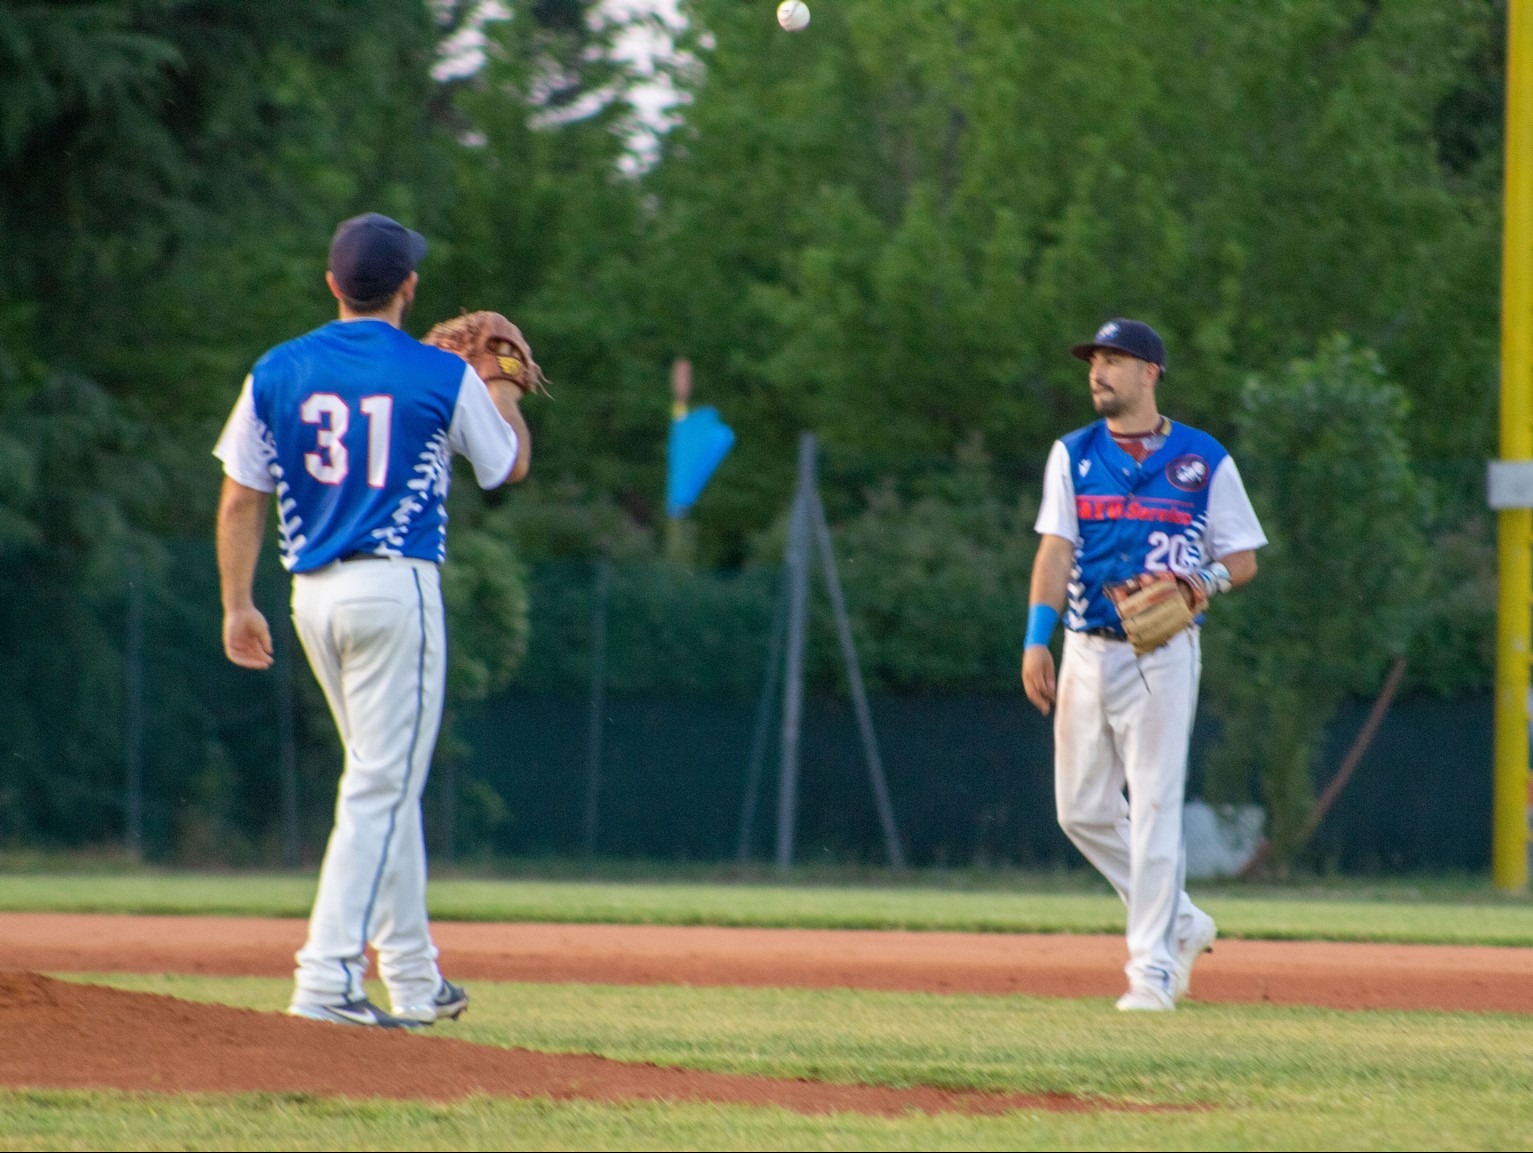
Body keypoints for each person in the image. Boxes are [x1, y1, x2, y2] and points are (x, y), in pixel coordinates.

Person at [213, 213, 531, 1027]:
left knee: (382, 779)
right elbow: (505, 464)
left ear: (332, 284)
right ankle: (324, 979)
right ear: (409, 286)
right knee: (380, 786)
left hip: (309, 594)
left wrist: (237, 601)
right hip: (396, 592)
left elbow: (242, 495)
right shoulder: (435, 372)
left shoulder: (277, 369)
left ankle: (415, 977)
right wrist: (499, 380)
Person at [1021, 318, 1266, 1011]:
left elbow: (1241, 558)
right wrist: (1036, 638)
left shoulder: (1201, 459)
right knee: (1081, 810)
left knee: (1155, 806)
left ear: (1150, 372)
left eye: (1113, 360)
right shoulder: (1071, 454)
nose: (1097, 372)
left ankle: (1150, 971)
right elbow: (1053, 551)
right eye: (1093, 360)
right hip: (1083, 646)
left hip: (1162, 650)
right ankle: (1181, 920)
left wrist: (1199, 584)